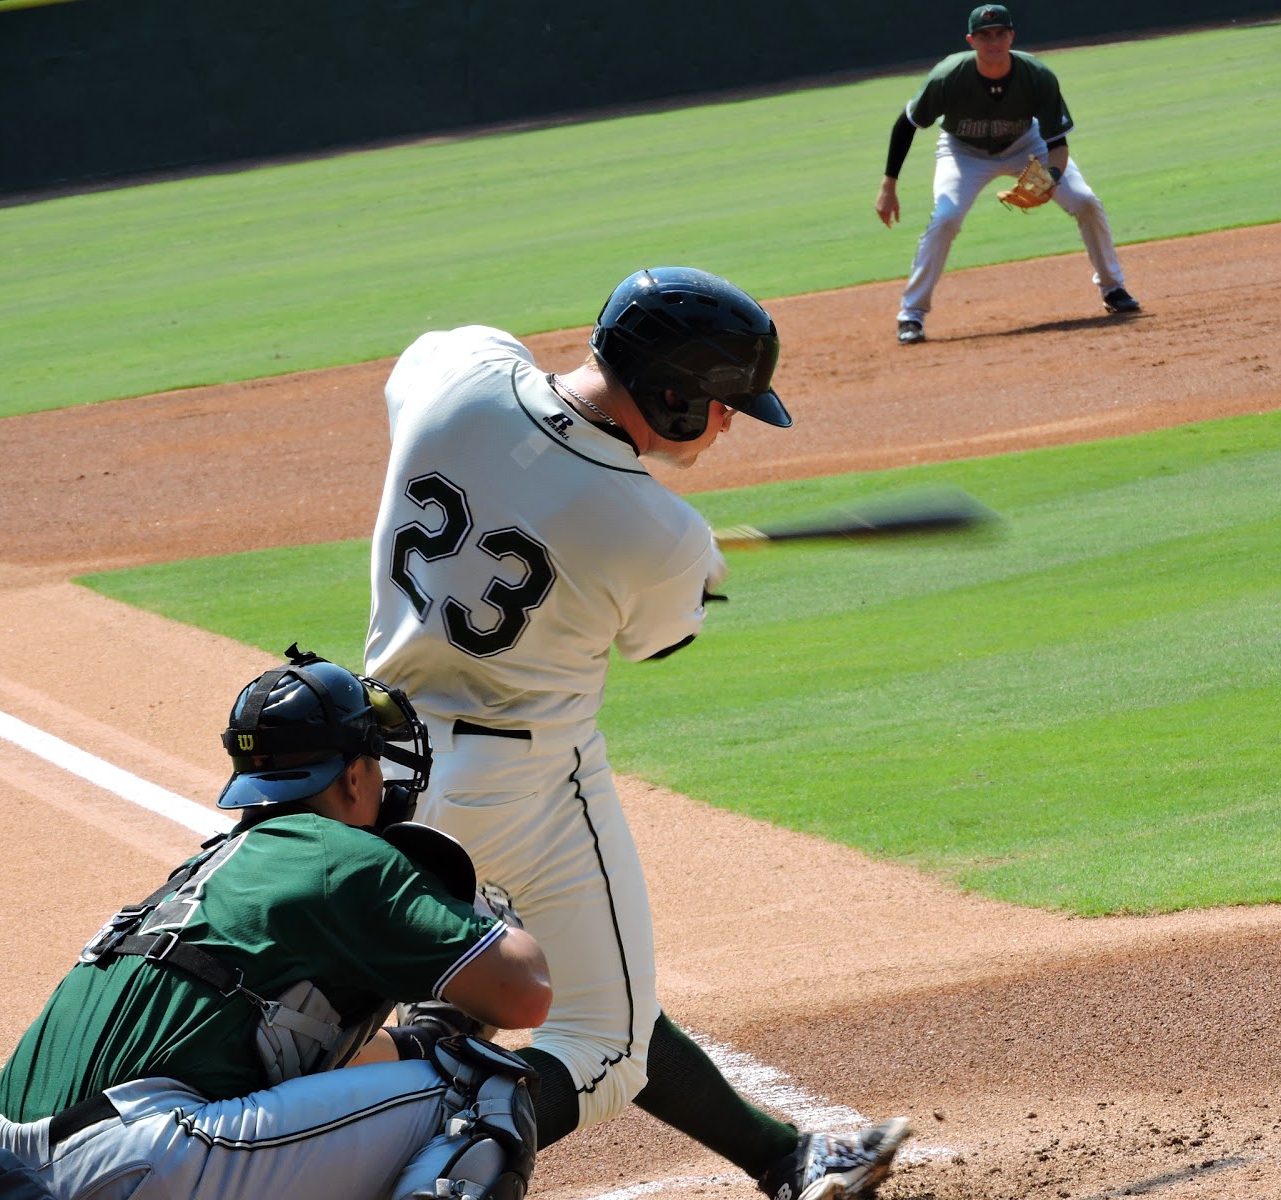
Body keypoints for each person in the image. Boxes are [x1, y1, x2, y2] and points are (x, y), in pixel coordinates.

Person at [365, 265, 911, 1200]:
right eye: (723, 404)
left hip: (369, 765)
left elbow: (424, 383)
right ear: (672, 397)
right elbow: (659, 637)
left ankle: (787, 1161)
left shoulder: (459, 371)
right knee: (605, 1038)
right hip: (521, 790)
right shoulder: (660, 533)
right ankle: (446, 1156)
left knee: (493, 991)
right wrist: (691, 563)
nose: (731, 422)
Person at [0, 647, 553, 1200]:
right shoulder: (341, 854)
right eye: (377, 761)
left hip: (19, 1166)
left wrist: (419, 1041)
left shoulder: (209, 872)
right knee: (478, 1090)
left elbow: (301, 1063)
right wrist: (480, 914)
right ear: (354, 777)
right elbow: (525, 995)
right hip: (134, 1161)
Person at [875, 3, 1141, 344]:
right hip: (962, 151)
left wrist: (1049, 179)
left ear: (1011, 36)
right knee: (946, 218)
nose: (994, 42)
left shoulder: (1036, 76)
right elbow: (906, 123)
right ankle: (911, 314)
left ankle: (1113, 289)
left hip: (1026, 144)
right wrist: (888, 185)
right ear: (971, 40)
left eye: (1001, 33)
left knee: (1085, 201)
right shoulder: (948, 76)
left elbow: (1057, 143)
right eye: (985, 36)